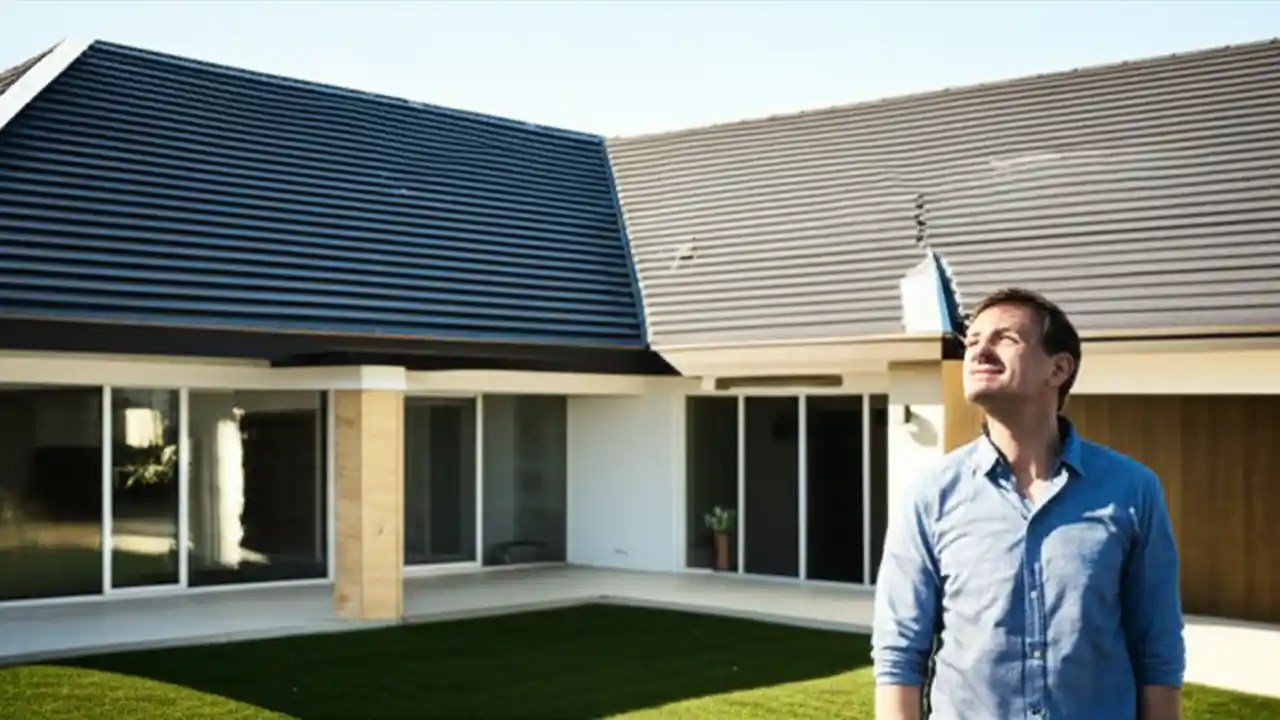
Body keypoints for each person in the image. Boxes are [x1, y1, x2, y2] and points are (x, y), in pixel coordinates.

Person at [871, 287, 1185, 720]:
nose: (979, 349)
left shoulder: (1132, 491)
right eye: (973, 340)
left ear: (1058, 368)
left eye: (1005, 338)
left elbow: (1157, 650)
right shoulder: (929, 496)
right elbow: (899, 653)